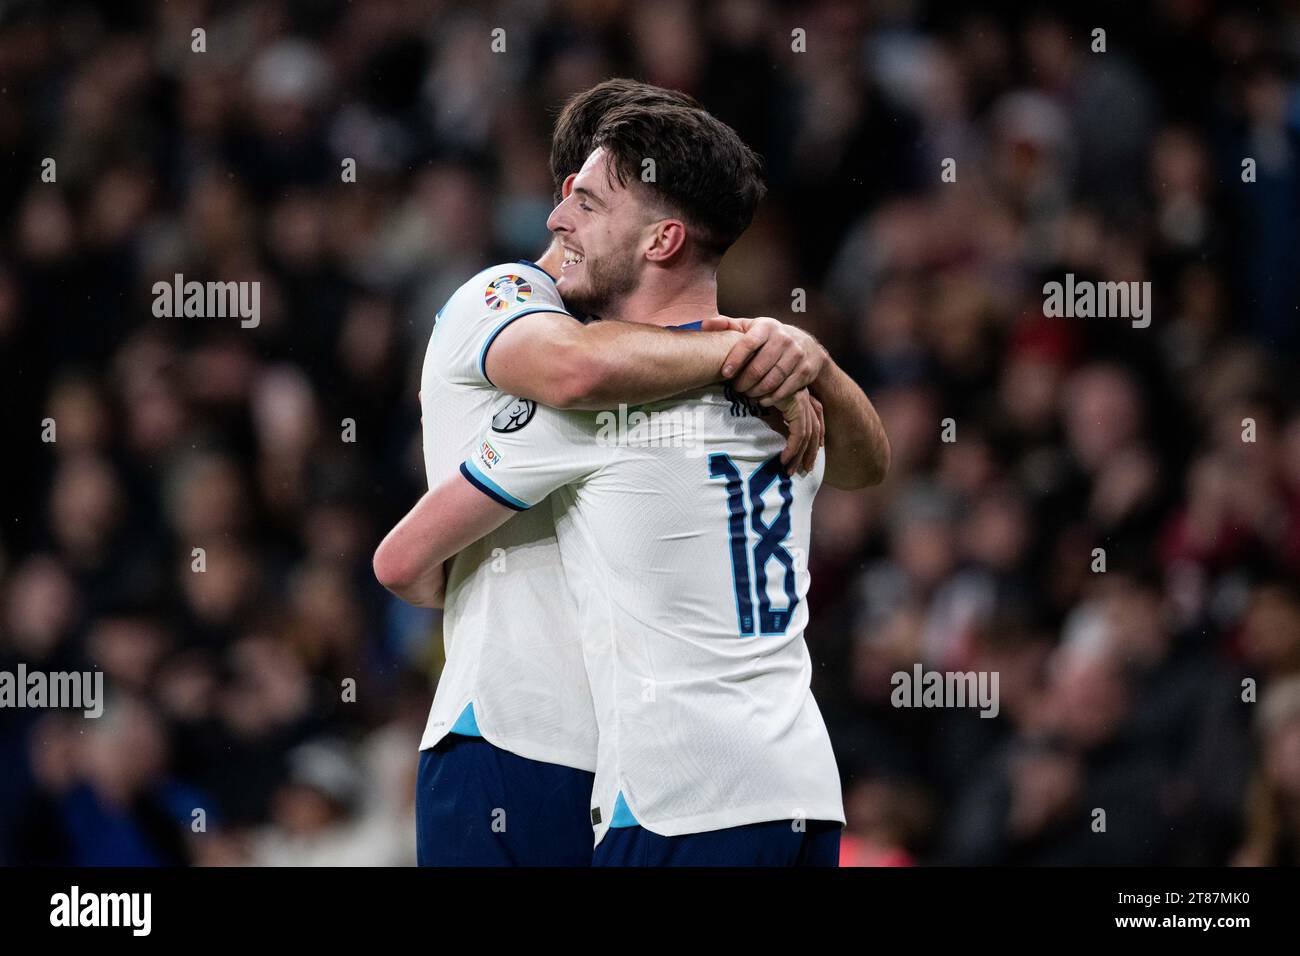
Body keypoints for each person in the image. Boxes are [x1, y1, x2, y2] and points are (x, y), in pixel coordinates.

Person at [375, 100, 889, 865]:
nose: (557, 220)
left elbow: (398, 560)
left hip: (659, 789)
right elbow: (868, 464)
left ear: (662, 237)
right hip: (794, 783)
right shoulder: (779, 385)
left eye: (586, 201)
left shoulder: (594, 407)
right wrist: (786, 354)